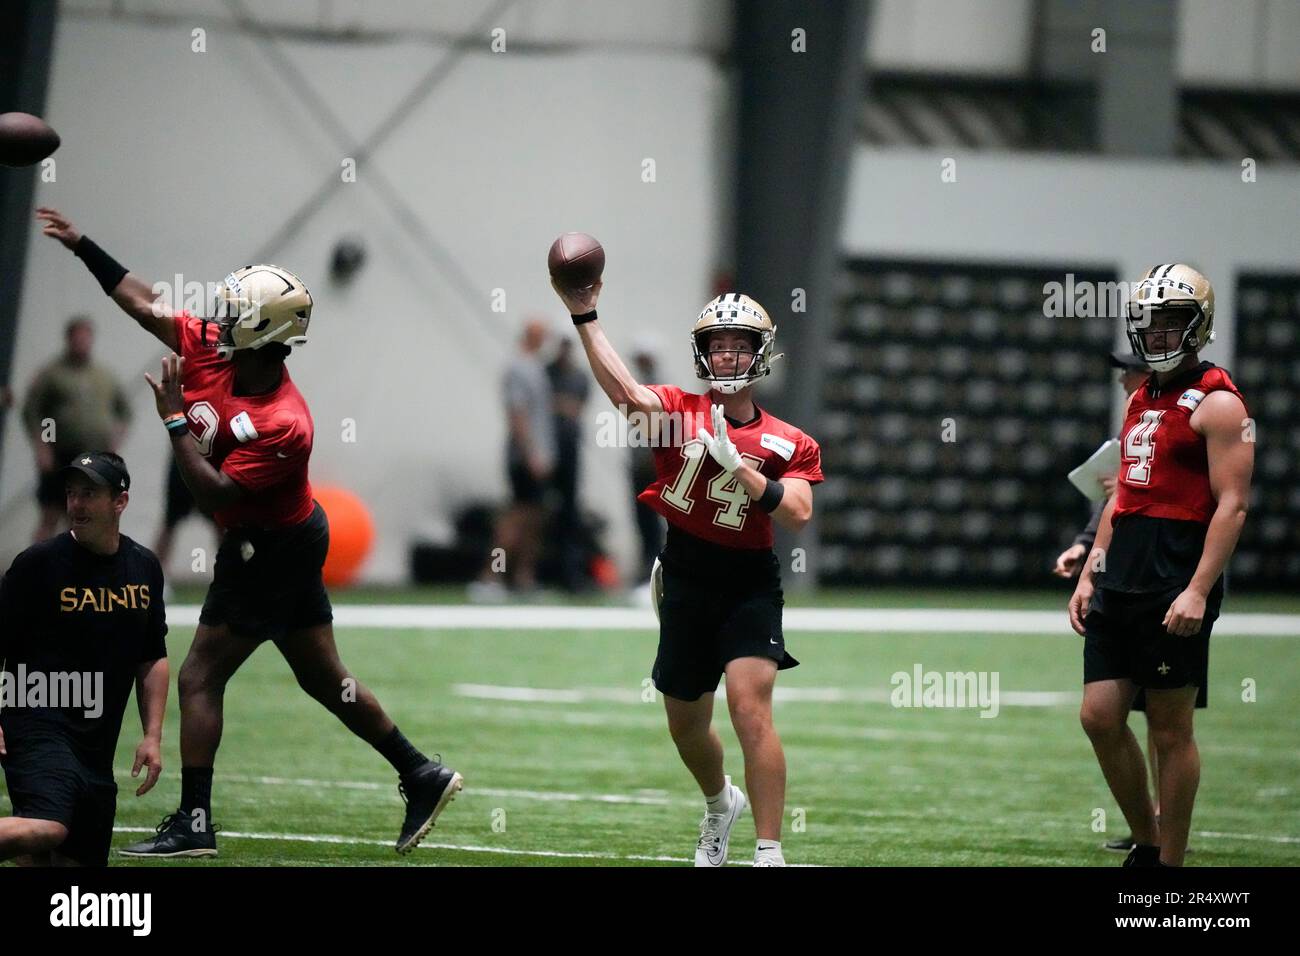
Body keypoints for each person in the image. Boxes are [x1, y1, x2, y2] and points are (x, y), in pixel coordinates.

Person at [37, 207, 461, 858]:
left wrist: (175, 421)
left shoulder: (285, 421)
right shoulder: (209, 346)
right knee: (325, 678)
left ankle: (195, 822)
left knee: (199, 677)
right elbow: (147, 305)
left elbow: (215, 492)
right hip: (273, 539)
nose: (221, 318)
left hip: (270, 547)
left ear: (264, 331)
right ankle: (421, 772)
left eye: (237, 313)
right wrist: (82, 246)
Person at [552, 281, 823, 868]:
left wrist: (742, 470)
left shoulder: (788, 439)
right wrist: (584, 315)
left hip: (750, 581)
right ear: (703, 351)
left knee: (751, 708)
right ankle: (718, 801)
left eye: (739, 344)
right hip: (685, 575)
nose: (727, 354)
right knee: (686, 725)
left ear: (762, 353)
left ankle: (769, 851)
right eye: (717, 344)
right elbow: (624, 392)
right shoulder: (678, 413)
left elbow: (798, 513)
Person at [1069, 264, 1252, 867]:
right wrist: (1094, 564)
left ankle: (1167, 866)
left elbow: (1233, 504)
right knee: (1099, 716)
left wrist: (1198, 589)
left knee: (1169, 730)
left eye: (1172, 322)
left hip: (1175, 570)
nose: (1159, 334)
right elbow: (1125, 491)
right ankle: (1145, 839)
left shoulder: (1220, 402)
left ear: (1197, 327)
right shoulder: (1143, 394)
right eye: (1150, 321)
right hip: (1124, 569)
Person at [0, 452, 169, 866]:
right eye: (72, 494)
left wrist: (152, 734)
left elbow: (152, 657)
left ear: (120, 501)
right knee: (48, 825)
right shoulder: (38, 564)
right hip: (36, 720)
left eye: (89, 494)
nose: (76, 504)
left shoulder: (143, 567)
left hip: (96, 745)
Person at [22, 316, 132, 542]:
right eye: (77, 338)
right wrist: (43, 447)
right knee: (52, 513)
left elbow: (124, 412)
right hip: (60, 456)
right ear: (68, 339)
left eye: (85, 338)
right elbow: (33, 413)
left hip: (93, 459)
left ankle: (75, 569)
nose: (81, 342)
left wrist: (114, 445)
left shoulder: (103, 376)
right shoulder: (52, 374)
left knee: (86, 514)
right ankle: (32, 570)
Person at [469, 318, 556, 599]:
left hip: (540, 456)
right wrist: (531, 453)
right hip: (525, 458)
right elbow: (517, 414)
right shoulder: (518, 368)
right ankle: (489, 577)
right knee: (515, 519)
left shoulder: (536, 368)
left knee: (534, 520)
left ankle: (523, 579)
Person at [546, 337, 591, 592]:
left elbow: (576, 409)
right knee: (541, 510)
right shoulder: (546, 372)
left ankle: (570, 575)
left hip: (570, 450)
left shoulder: (578, 376)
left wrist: (559, 404)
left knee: (570, 512)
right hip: (549, 449)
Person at [628, 339, 665, 585]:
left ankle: (654, 571)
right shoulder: (640, 384)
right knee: (642, 521)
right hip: (640, 464)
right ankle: (647, 570)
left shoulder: (658, 388)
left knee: (652, 523)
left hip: (653, 465)